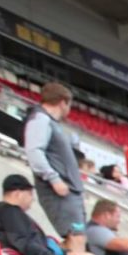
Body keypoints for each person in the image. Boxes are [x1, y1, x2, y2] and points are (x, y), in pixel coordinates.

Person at [0, 174, 113, 255]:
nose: (32, 200)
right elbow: (24, 243)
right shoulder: (10, 212)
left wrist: (64, 254)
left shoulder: (4, 212)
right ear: (18, 193)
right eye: (30, 194)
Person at [23, 83, 85, 238]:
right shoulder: (40, 119)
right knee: (75, 239)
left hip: (69, 192)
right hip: (60, 193)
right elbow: (34, 151)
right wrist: (54, 179)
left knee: (79, 238)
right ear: (63, 102)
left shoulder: (50, 122)